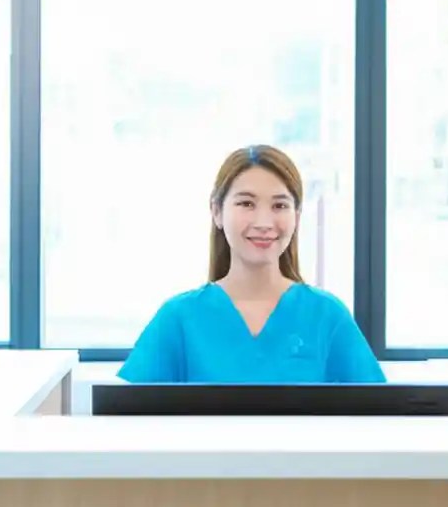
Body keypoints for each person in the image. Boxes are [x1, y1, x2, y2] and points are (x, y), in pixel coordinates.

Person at [118, 144, 386, 384]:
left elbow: (380, 417)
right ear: (217, 211)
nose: (263, 222)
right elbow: (125, 420)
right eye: (246, 203)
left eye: (280, 206)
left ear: (297, 215)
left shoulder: (327, 316)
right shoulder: (178, 319)